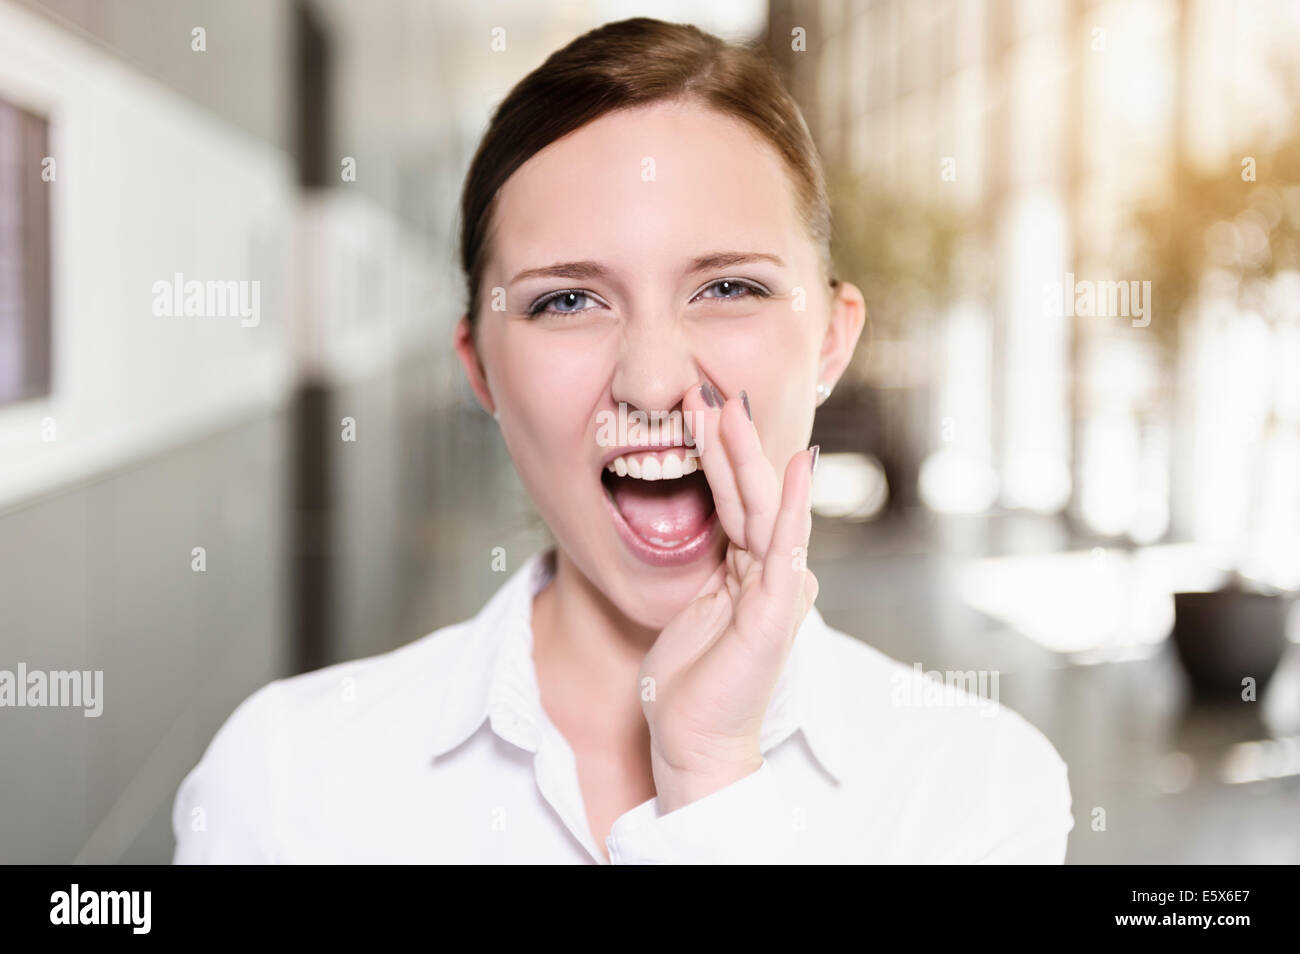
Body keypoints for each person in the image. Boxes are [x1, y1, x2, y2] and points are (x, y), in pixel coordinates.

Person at [172, 16, 1073, 864]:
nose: (650, 382)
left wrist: (711, 775)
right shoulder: (283, 784)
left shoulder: (977, 793)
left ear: (833, 339)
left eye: (728, 289)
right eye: (567, 300)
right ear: (479, 367)